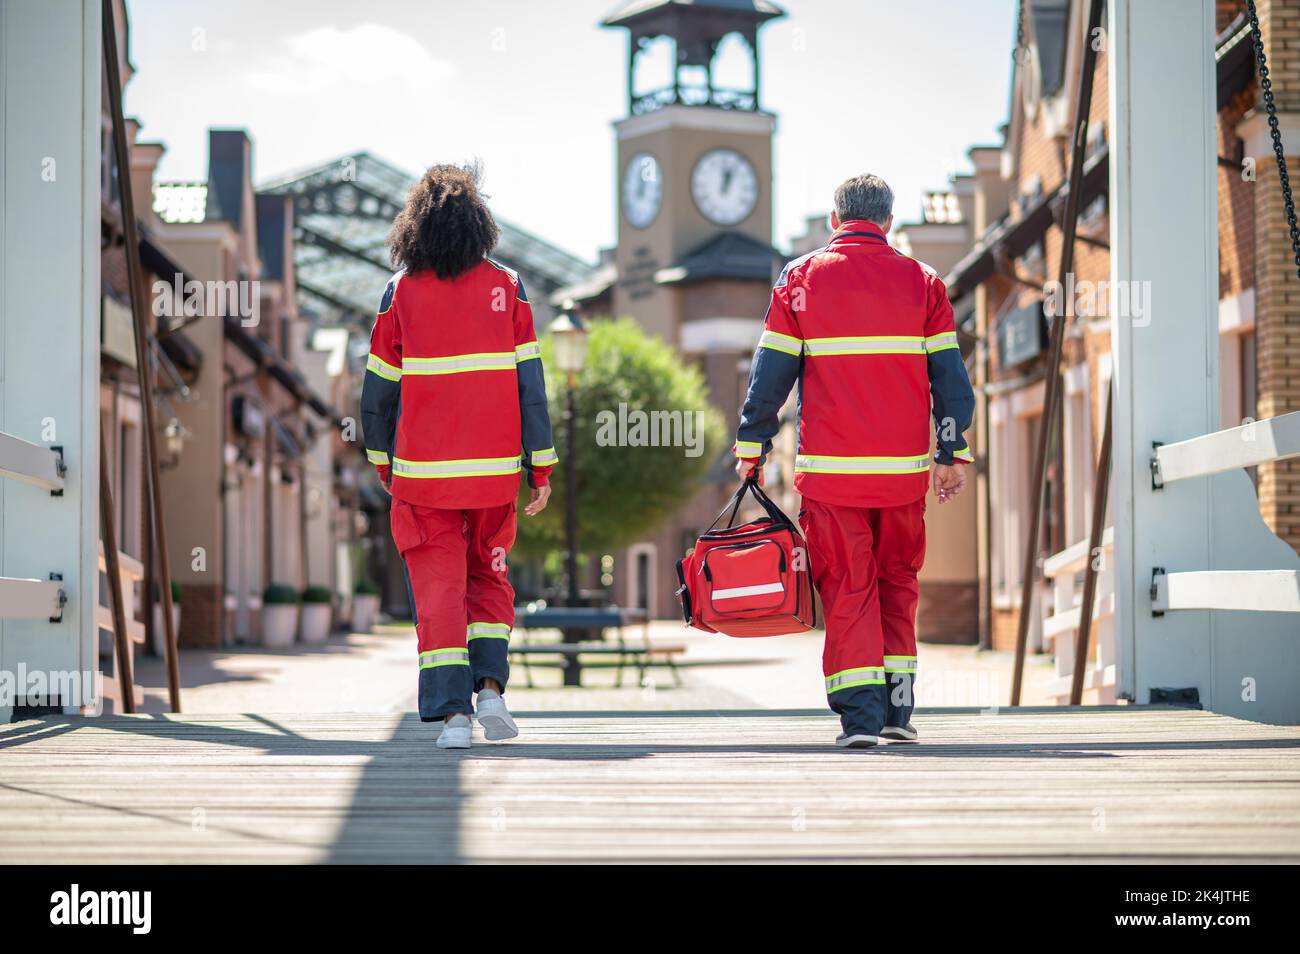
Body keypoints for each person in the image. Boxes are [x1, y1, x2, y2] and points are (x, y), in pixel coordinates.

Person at [734, 173, 975, 748]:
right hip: (903, 474)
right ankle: (896, 710)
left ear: (835, 221)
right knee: (898, 581)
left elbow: (771, 377)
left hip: (833, 475)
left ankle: (859, 722)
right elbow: (951, 380)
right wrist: (951, 452)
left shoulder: (800, 279)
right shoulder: (924, 283)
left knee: (848, 587)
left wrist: (753, 444)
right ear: (888, 222)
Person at [361, 163, 555, 749]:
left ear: (414, 228)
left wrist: (381, 461)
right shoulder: (509, 287)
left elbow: (378, 392)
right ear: (480, 225)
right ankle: (492, 689)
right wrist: (538, 467)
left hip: (422, 482)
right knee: (490, 580)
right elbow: (531, 387)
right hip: (493, 478)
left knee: (439, 593)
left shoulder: (400, 293)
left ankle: (453, 720)